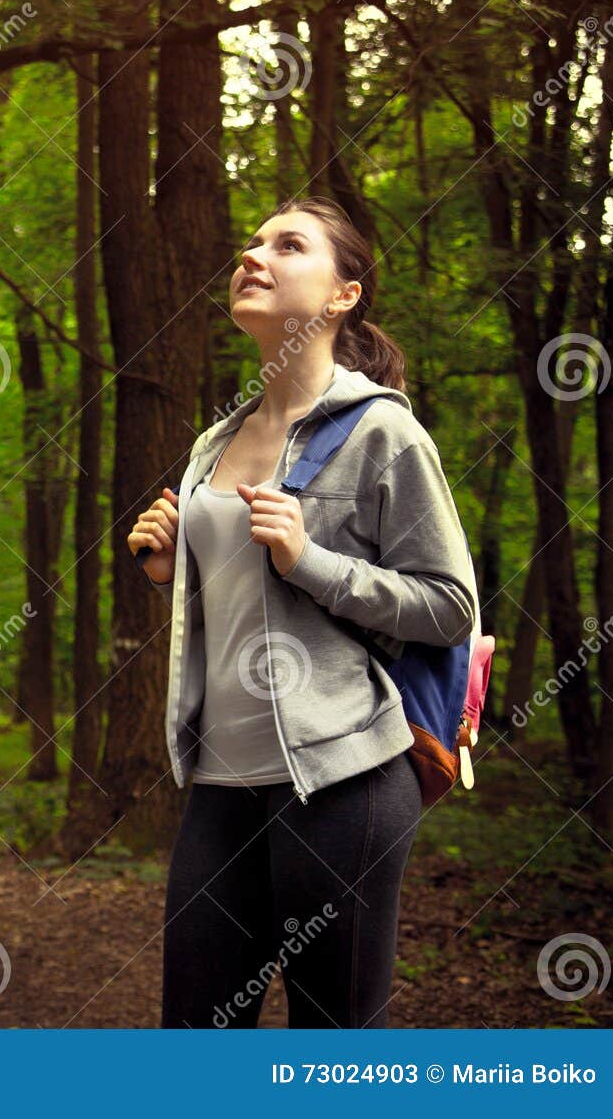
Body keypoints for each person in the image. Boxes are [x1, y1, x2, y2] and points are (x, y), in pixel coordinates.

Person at [124, 196, 479, 1028]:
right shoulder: (216, 441)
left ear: (341, 295)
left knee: (332, 1049)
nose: (255, 254)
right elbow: (242, 602)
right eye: (252, 241)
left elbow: (451, 605)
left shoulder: (382, 434)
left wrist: (310, 559)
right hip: (218, 780)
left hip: (342, 778)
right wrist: (170, 567)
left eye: (288, 245)